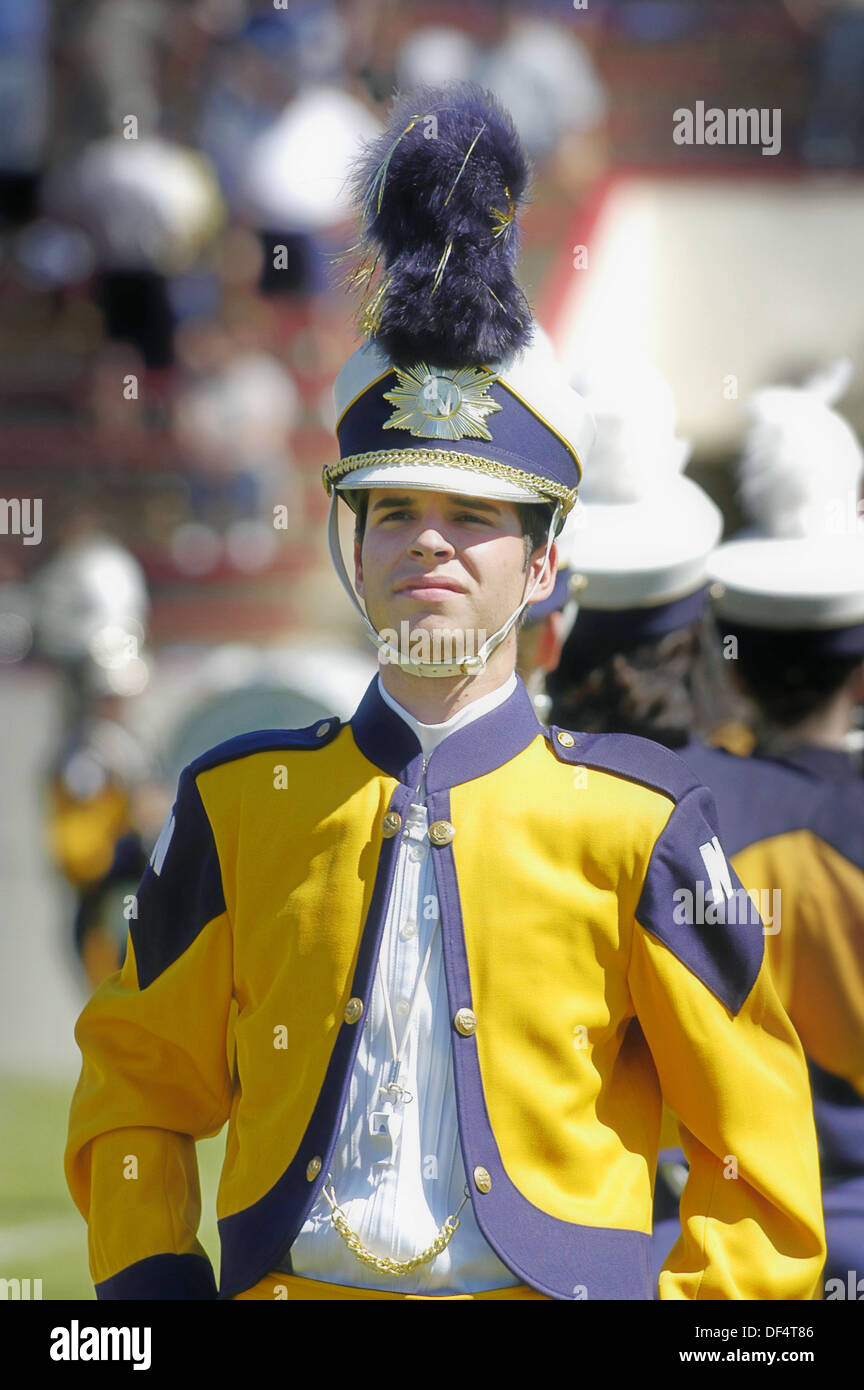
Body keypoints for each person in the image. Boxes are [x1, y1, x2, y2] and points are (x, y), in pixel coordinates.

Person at [65, 84, 825, 1302]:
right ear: (346, 546)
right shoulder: (239, 803)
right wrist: (152, 1293)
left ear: (540, 568)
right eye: (397, 514)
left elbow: (762, 1165)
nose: (429, 545)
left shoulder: (644, 824)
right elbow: (136, 1090)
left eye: (473, 520)